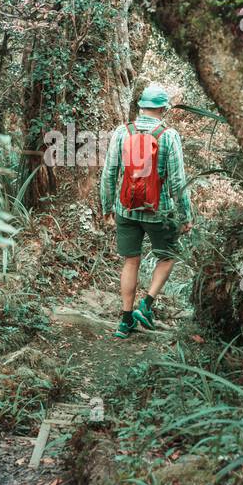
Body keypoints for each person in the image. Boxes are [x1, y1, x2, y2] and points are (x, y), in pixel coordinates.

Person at [99, 83, 192, 338]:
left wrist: (107, 207)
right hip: (158, 211)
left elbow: (109, 174)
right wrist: (185, 216)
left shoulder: (122, 132)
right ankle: (146, 305)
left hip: (126, 210)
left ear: (141, 107)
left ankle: (125, 321)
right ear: (163, 109)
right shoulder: (168, 136)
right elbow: (177, 182)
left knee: (131, 261)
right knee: (168, 256)